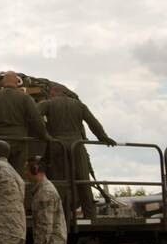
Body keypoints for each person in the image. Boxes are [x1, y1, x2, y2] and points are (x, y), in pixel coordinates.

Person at [39, 84, 116, 218]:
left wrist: (44, 134)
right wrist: (104, 138)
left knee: (60, 182)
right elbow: (93, 123)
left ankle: (62, 217)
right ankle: (90, 216)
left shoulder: (48, 104)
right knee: (83, 181)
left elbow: (33, 116)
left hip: (58, 145)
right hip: (77, 145)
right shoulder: (79, 105)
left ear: (53, 93)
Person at [0, 71, 52, 176]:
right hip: (19, 141)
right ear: (17, 82)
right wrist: (45, 136)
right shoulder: (25, 98)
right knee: (17, 175)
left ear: (2, 83)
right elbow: (36, 119)